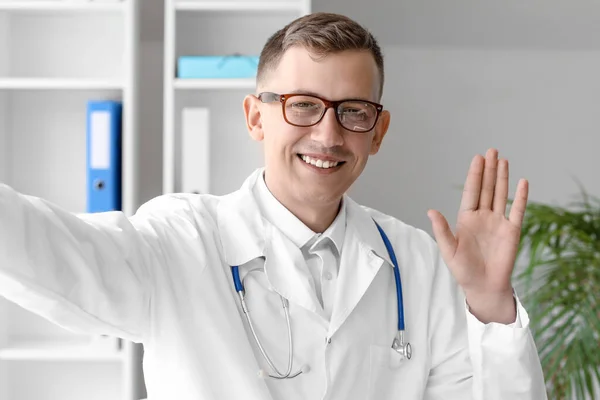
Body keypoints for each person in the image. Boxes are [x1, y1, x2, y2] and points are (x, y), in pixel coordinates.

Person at [0, 12, 546, 400]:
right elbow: (53, 258)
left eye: (353, 111)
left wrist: (491, 304)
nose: (328, 135)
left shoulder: (418, 263)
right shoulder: (181, 239)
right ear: (256, 117)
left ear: (377, 132)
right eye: (303, 105)